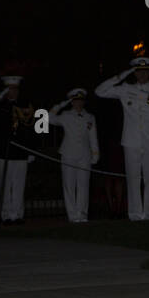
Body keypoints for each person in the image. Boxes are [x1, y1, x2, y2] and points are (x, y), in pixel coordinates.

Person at [95, 57, 149, 221]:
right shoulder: (125, 89)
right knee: (133, 179)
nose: (142, 74)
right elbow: (100, 91)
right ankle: (135, 214)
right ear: (134, 73)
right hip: (131, 141)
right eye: (138, 71)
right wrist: (122, 75)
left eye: (145, 71)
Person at [49, 88, 99, 223]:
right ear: (71, 102)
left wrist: (95, 154)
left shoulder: (90, 117)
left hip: (85, 154)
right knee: (69, 185)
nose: (79, 103)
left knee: (83, 185)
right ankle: (72, 215)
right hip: (68, 153)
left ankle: (82, 214)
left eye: (81, 100)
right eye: (76, 101)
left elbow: (93, 137)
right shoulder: (65, 115)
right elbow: (48, 118)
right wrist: (60, 105)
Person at [0, 76, 33, 223]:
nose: (13, 92)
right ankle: (5, 215)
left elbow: (31, 128)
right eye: (10, 89)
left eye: (15, 89)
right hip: (4, 151)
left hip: (21, 152)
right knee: (4, 185)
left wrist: (30, 150)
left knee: (18, 185)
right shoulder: (0, 105)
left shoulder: (25, 105)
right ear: (6, 90)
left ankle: (17, 214)